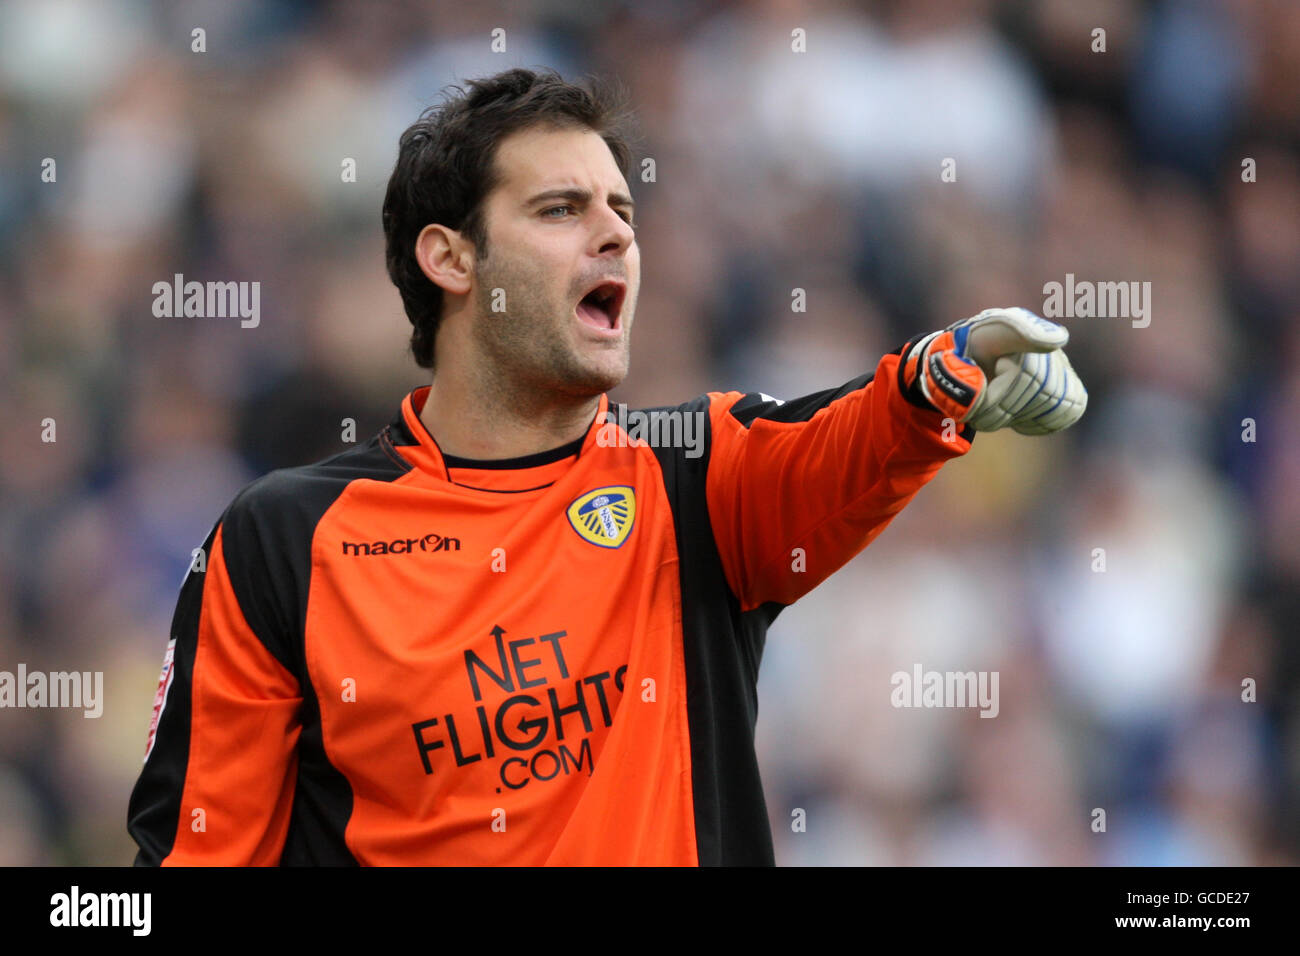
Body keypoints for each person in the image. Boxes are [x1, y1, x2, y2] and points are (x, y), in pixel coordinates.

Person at [126, 67, 1085, 866]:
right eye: (560, 208)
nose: (618, 232)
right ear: (451, 260)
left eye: (623, 210)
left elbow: (849, 435)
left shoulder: (691, 480)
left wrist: (941, 376)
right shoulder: (284, 542)